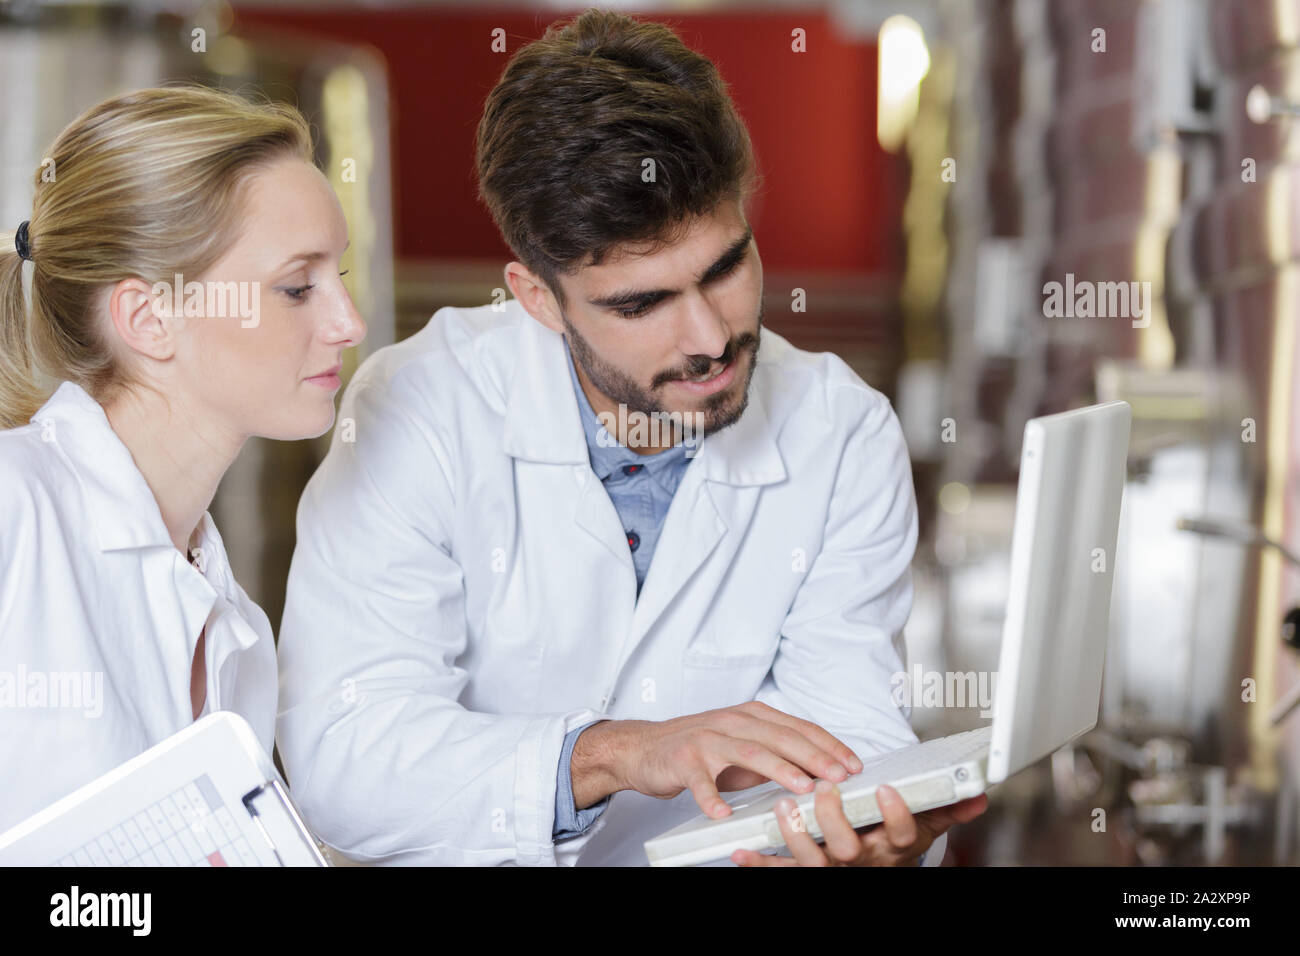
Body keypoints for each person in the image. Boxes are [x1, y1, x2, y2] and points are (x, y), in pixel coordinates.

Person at [276, 9, 985, 866]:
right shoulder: (420, 408)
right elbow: (345, 757)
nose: (710, 338)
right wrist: (615, 754)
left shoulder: (842, 432)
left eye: (726, 267)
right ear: (537, 300)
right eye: (643, 304)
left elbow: (853, 738)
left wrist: (867, 840)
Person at [0, 85, 366, 835]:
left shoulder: (236, 625)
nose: (349, 323)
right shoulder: (14, 510)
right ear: (148, 318)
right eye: (297, 287)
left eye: (341, 277)